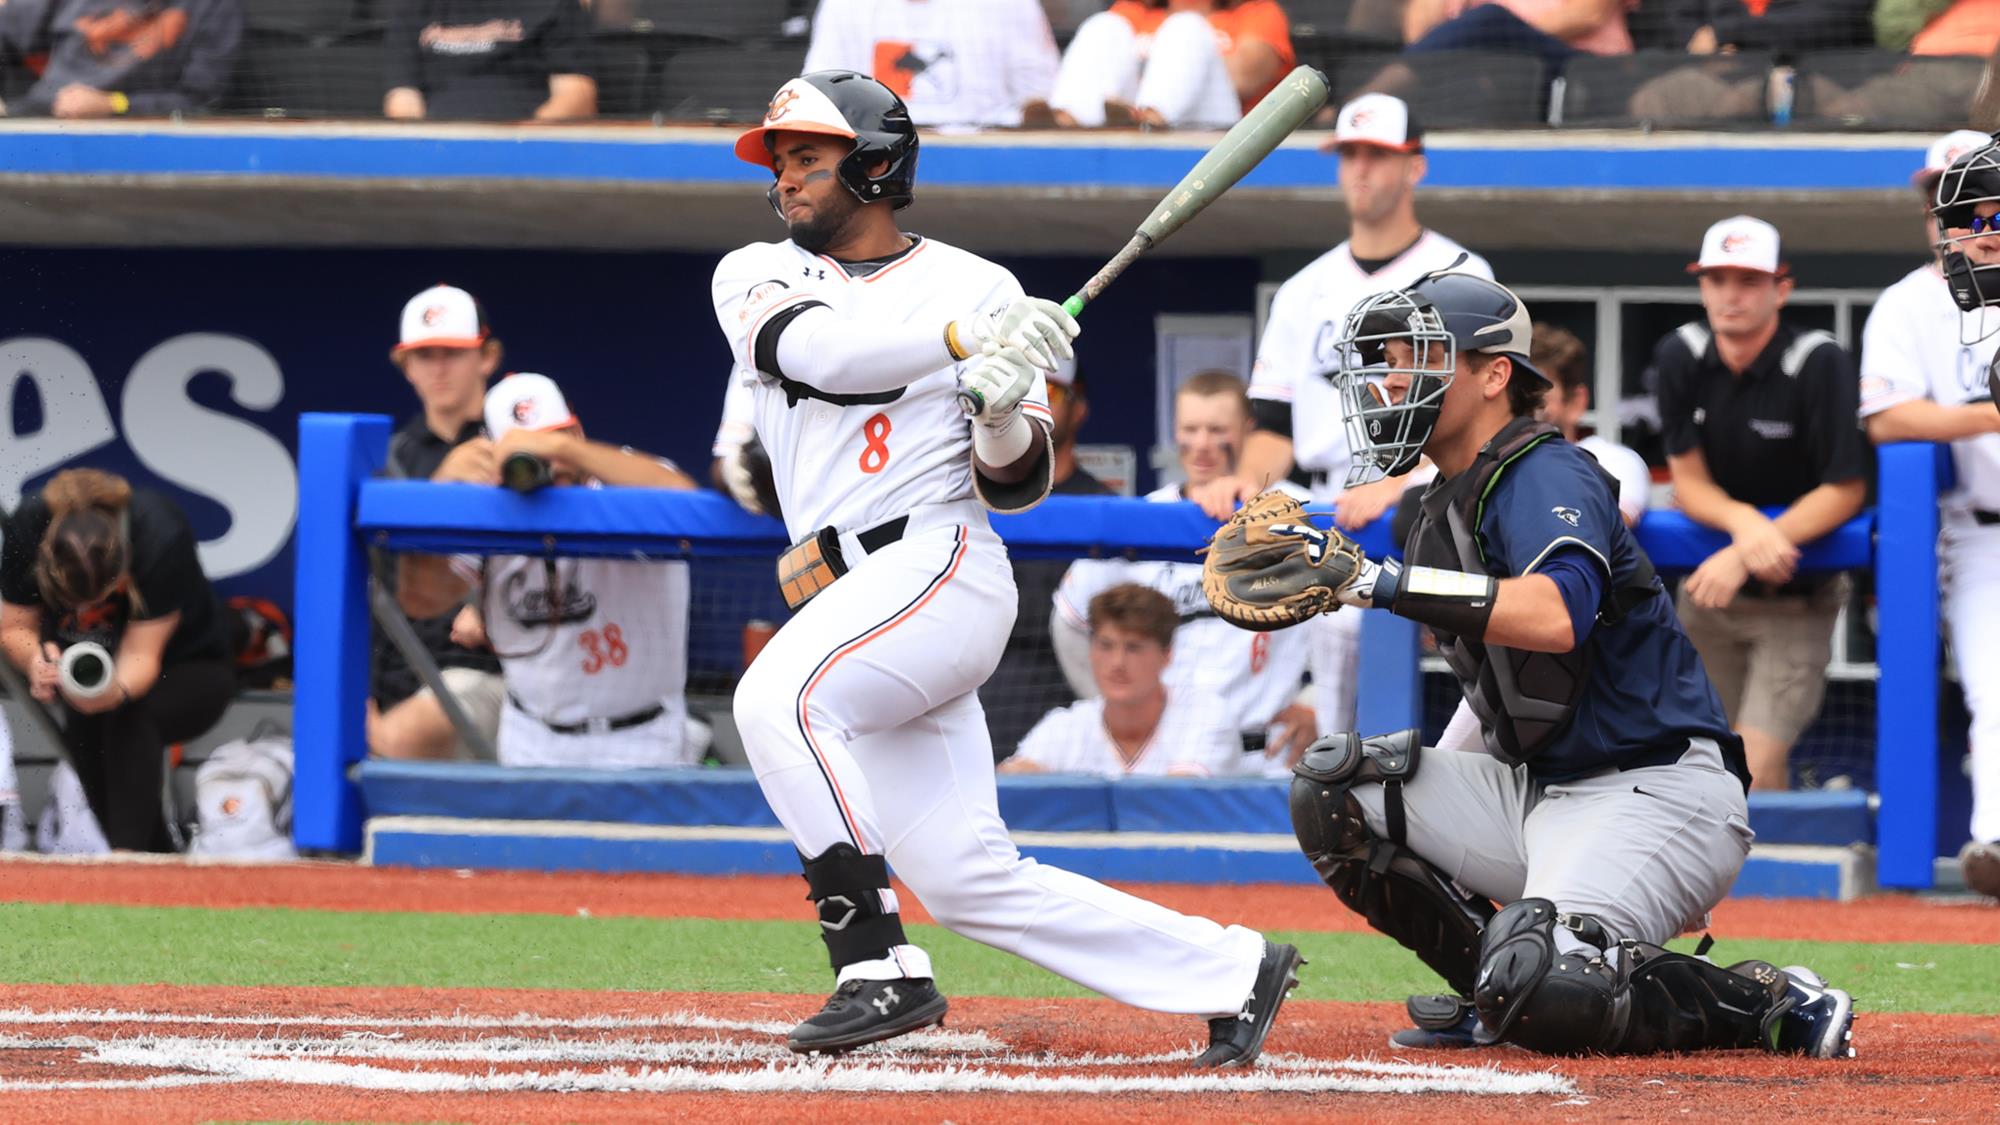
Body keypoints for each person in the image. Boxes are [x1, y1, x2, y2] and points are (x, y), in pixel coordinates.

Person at [710, 69, 1300, 1063]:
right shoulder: (756, 272)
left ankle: (872, 965)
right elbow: (818, 357)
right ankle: (1230, 970)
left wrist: (992, 407)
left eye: (808, 157)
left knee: (778, 701)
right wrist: (963, 344)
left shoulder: (979, 286)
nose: (787, 178)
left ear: (876, 164)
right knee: (962, 875)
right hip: (843, 591)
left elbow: (1017, 482)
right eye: (781, 160)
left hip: (936, 564)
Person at [1204, 269, 1858, 1058]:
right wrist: (1433, 824)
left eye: (1417, 355)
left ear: (1493, 373)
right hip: (1540, 793)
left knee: (1554, 987)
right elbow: (1495, 692)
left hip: (1657, 790)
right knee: (1338, 788)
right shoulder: (1434, 504)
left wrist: (1374, 582)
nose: (1392, 379)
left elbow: (1555, 615)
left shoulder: (1545, 468)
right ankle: (1494, 988)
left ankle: (1762, 1000)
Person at [1192, 92, 1491, 739]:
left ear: (1416, 166)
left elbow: (1480, 418)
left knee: (1452, 710)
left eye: (1378, 155)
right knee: (1333, 724)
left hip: (1433, 507)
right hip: (1329, 507)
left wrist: (1398, 479)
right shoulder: (1304, 289)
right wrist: (1246, 482)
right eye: (1349, 154)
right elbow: (1273, 425)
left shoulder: (1463, 273)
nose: (1360, 169)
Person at [1649, 216, 1869, 792]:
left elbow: (1847, 488)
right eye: (1717, 278)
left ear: (1782, 288)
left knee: (1750, 769)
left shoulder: (1820, 359)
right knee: (1698, 767)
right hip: (1710, 593)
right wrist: (1747, 529)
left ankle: (1769, 882)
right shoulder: (1680, 353)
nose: (1731, 294)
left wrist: (1747, 552)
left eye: (1748, 279)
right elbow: (1689, 482)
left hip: (1795, 595)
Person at [397, 373, 700, 768]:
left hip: (642, 737)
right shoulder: (492, 509)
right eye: (526, 450)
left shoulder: (621, 485)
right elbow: (421, 599)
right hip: (531, 736)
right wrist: (443, 490)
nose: (548, 463)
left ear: (577, 431)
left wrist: (561, 448)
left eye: (556, 437)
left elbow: (685, 503)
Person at [1052, 371, 1316, 764]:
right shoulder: (1144, 517)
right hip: (1167, 755)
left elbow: (1351, 624)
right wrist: (1113, 705)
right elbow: (1070, 621)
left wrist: (1316, 702)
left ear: (1248, 429)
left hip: (1267, 756)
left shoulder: (1298, 514)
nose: (1202, 445)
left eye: (1216, 429)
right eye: (1190, 429)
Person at [1869, 132, 2000, 899]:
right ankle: (1993, 842)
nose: (1970, 220)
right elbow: (1887, 418)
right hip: (1980, 527)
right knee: (1994, 687)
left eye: (1987, 204)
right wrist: (1986, 418)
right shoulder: (1907, 302)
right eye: (1949, 201)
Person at [0, 469, 234, 852]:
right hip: (85, 668)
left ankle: (122, 869)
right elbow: (15, 628)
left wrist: (110, 692)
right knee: (96, 757)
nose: (86, 611)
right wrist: (36, 661)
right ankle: (150, 868)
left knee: (128, 720)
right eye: (72, 601)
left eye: (102, 595)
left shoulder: (158, 531)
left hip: (190, 665)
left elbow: (141, 656)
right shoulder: (29, 525)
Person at [367, 284, 507, 763]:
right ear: (406, 365)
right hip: (396, 676)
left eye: (453, 352)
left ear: (487, 357)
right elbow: (367, 583)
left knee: (401, 740)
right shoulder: (389, 457)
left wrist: (495, 607)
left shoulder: (518, 446)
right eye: (424, 355)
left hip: (489, 670)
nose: (439, 367)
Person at [1004, 584, 1249, 777]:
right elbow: (1008, 786)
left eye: (1133, 648)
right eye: (1106, 646)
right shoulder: (1067, 725)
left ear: (1167, 655)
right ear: (1090, 650)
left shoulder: (1206, 716)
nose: (1118, 662)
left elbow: (1175, 803)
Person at [1031, 0, 1295, 130]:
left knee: (1186, 28)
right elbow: (1101, 69)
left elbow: (1243, 80)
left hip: (1216, 136)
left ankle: (1152, 115)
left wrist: (1172, 65)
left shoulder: (1257, 12)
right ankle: (1067, 119)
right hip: (1125, 123)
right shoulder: (1133, 11)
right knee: (1104, 26)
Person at [801, 0, 1059, 129]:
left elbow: (1043, 103)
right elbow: (818, 100)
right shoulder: (843, 5)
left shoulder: (1010, 5)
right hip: (871, 166)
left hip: (986, 166)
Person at [0, 0, 241, 117]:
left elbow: (200, 101)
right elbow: (6, 31)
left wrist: (112, 104)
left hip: (136, 134)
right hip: (41, 118)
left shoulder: (213, 6)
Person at [383, 0, 598, 122]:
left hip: (527, 150)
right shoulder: (413, 9)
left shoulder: (556, 4)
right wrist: (430, 149)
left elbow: (577, 95)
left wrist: (523, 141)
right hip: (440, 150)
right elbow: (402, 100)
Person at [1531, 323, 1651, 527]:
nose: (1528, 407)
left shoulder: (1613, 460)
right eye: (1517, 393)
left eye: (1539, 395)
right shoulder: (1487, 462)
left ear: (1576, 402)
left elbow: (1606, 525)